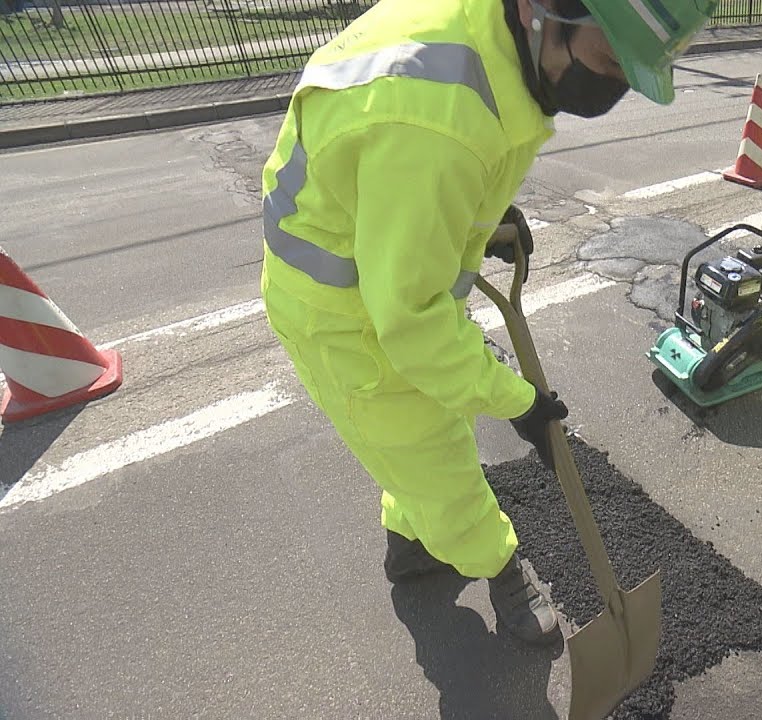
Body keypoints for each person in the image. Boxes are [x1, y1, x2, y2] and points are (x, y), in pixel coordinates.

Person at [259, 0, 715, 645]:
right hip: (346, 317)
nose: (614, 88)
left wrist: (484, 213)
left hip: (384, 267)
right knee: (435, 457)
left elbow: (449, 162)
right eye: (611, 61)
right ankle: (499, 568)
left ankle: (410, 544)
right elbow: (411, 320)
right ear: (545, 10)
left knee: (416, 442)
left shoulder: (479, 35)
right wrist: (519, 402)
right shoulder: (431, 125)